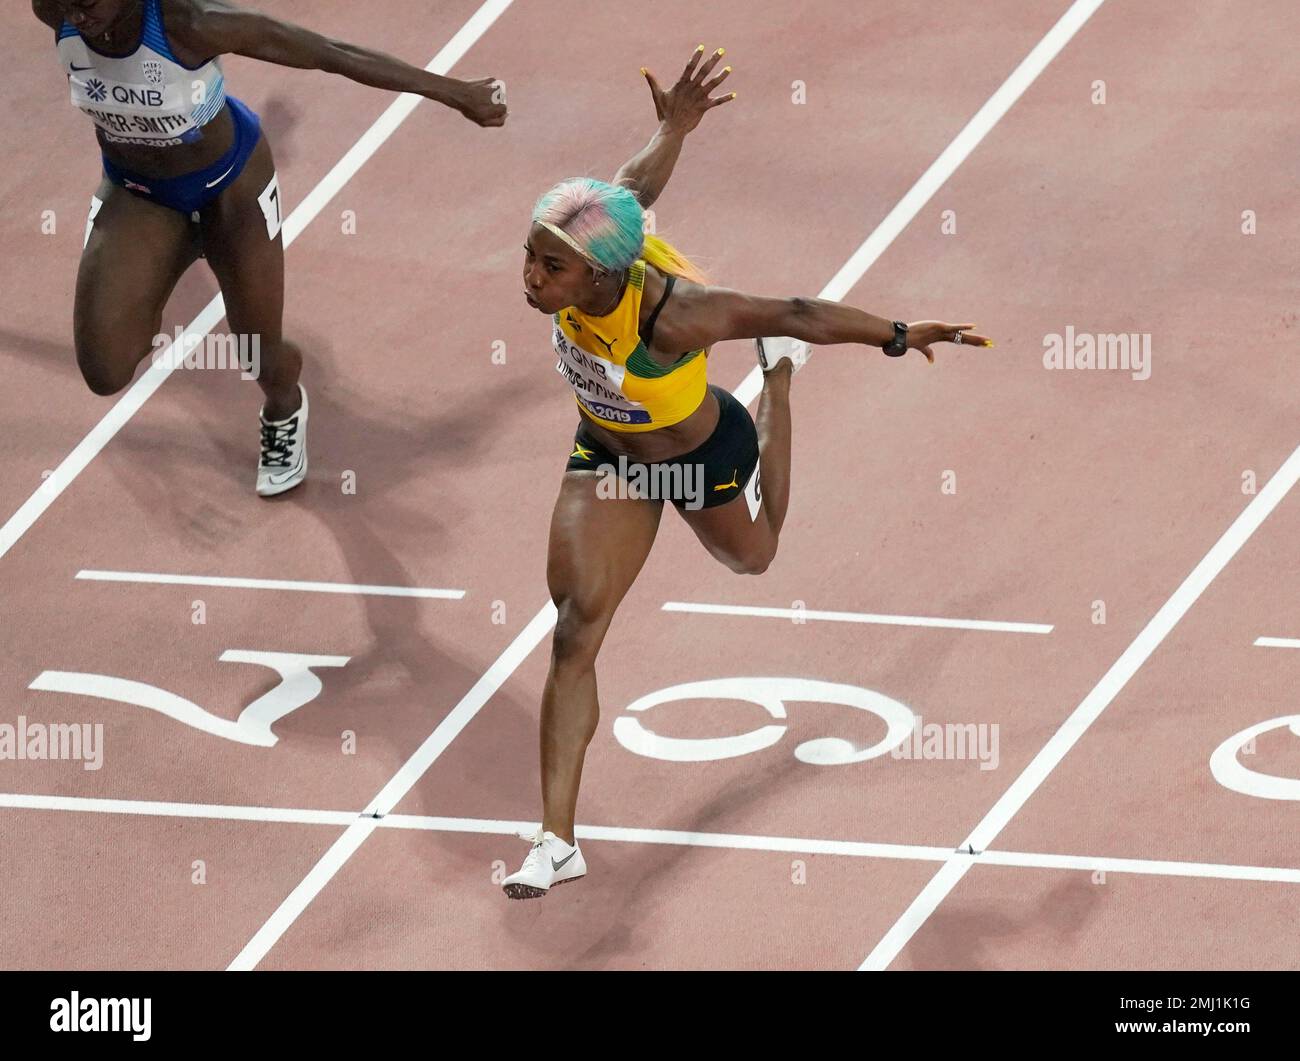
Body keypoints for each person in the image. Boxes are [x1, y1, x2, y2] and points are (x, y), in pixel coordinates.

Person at [503, 45, 991, 898]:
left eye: (551, 269)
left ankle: (779, 380)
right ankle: (556, 839)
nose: (531, 280)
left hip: (701, 455)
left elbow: (795, 308)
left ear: (605, 273)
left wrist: (901, 333)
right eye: (532, 259)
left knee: (755, 558)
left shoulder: (675, 316)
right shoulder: (600, 229)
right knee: (575, 627)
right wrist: (673, 125)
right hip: (609, 457)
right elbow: (634, 186)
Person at [33, 0, 506, 495]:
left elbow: (329, 51)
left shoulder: (190, 23)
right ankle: (168, 258)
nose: (76, 14)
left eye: (86, 3)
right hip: (139, 193)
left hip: (229, 189)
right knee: (105, 370)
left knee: (258, 351)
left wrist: (455, 93)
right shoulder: (54, 10)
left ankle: (284, 407)